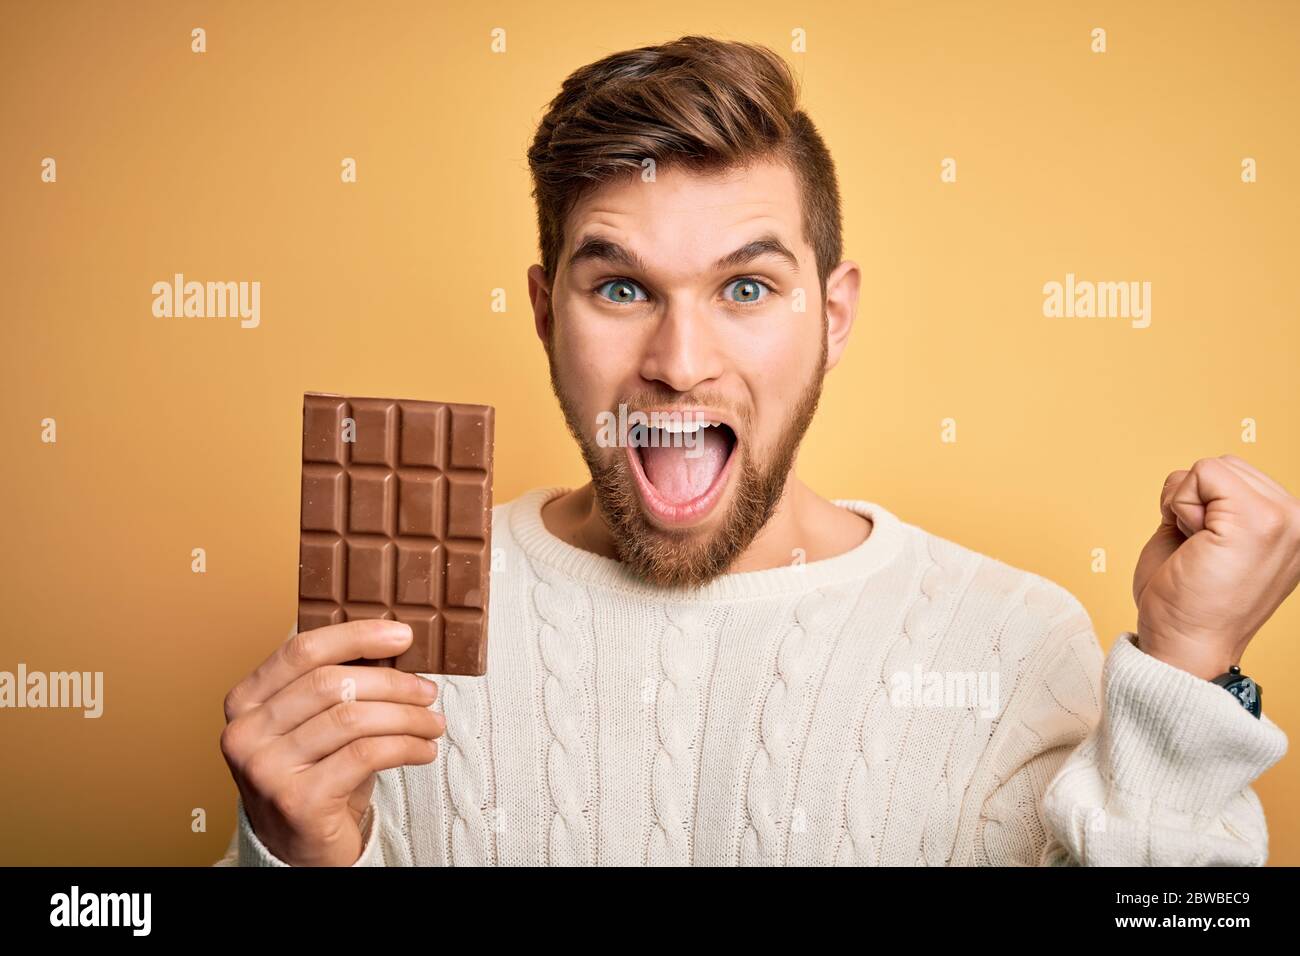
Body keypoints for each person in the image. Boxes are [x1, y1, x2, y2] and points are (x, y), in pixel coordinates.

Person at [217, 35, 1296, 867]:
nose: (680, 362)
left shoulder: (1010, 643)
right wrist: (292, 852)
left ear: (831, 315)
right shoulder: (390, 636)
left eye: (745, 286)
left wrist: (1187, 670)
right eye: (621, 287)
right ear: (547, 312)